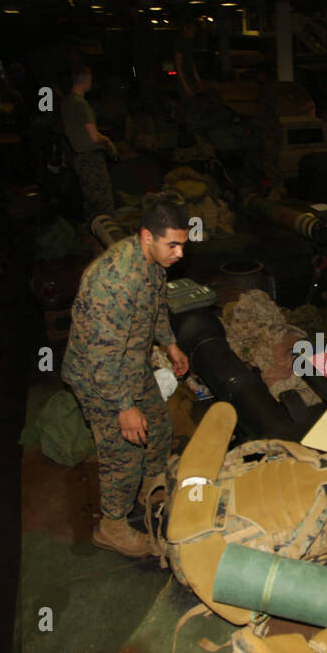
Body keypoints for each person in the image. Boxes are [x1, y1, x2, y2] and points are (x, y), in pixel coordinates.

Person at [61, 193, 192, 558]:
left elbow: (156, 306)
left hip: (129, 362)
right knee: (124, 451)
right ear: (146, 236)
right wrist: (123, 407)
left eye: (183, 245)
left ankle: (148, 485)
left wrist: (170, 345)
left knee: (159, 427)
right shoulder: (112, 282)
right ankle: (113, 527)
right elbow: (100, 357)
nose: (179, 254)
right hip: (97, 375)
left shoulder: (152, 264)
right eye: (173, 245)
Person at [61, 65, 116, 224]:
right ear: (86, 80)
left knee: (91, 202)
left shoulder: (66, 103)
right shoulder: (81, 104)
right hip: (91, 160)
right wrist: (108, 141)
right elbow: (93, 136)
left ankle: (94, 235)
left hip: (78, 158)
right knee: (103, 204)